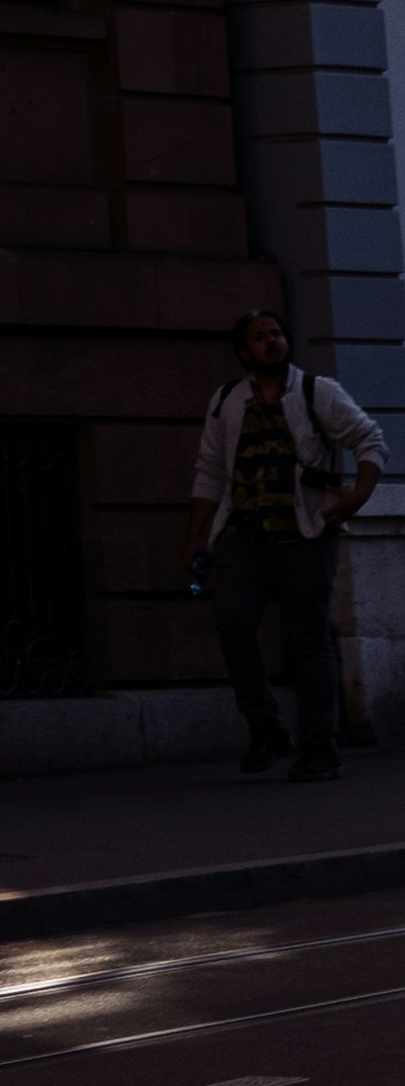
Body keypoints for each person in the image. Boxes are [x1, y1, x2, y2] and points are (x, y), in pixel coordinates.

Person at [190, 295, 385, 779]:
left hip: (306, 534)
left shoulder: (318, 392)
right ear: (244, 352)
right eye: (259, 337)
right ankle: (265, 727)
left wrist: (358, 496)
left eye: (276, 334)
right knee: (234, 626)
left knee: (308, 637)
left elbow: (369, 439)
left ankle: (320, 746)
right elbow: (209, 471)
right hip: (242, 537)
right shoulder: (226, 401)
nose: (271, 342)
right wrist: (196, 538)